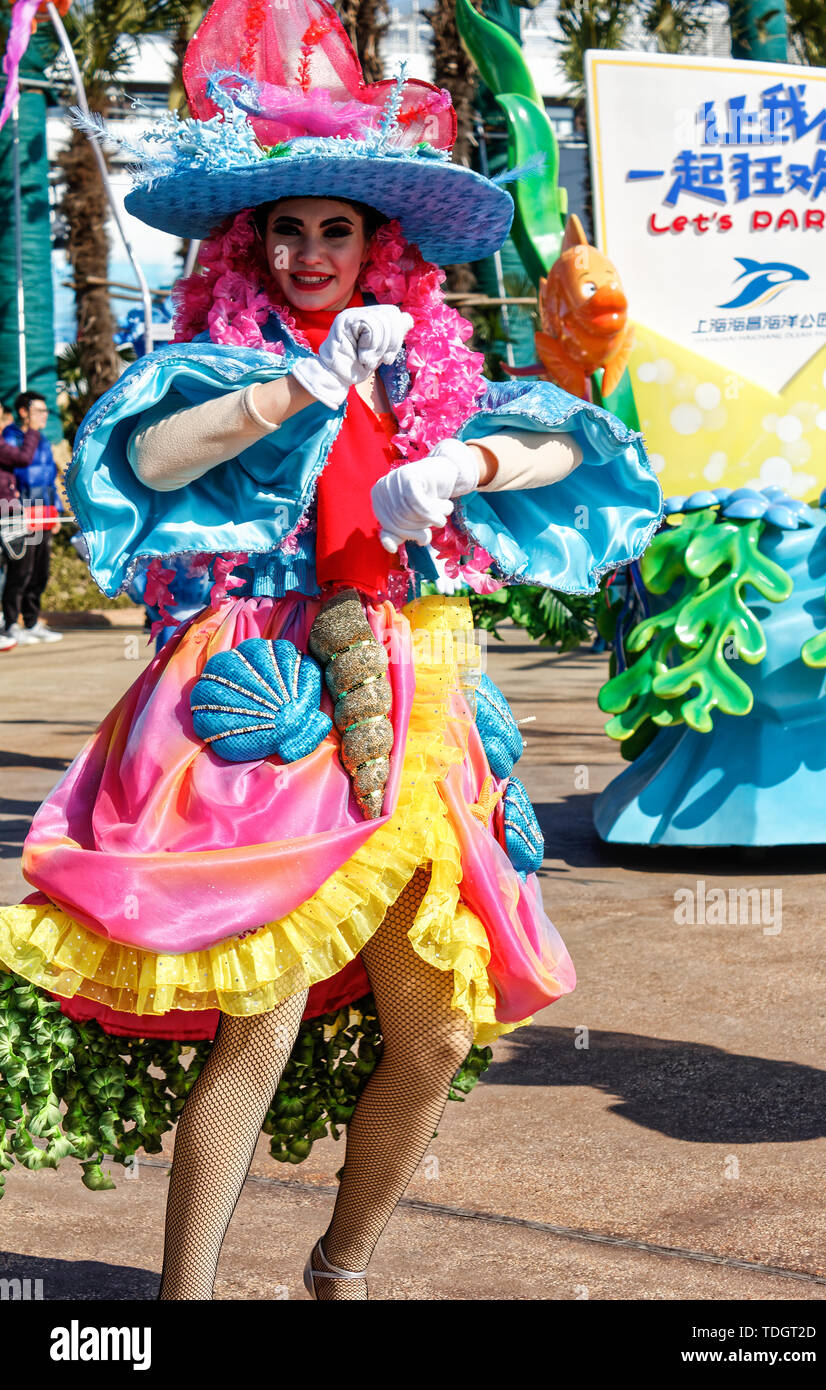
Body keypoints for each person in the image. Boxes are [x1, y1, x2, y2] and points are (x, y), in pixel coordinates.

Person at [0, 0, 662, 1300]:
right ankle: (182, 1303)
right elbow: (144, 456)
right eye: (288, 229)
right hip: (291, 715)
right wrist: (293, 389)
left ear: (378, 242)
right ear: (257, 241)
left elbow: (566, 447)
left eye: (336, 229)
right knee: (262, 1022)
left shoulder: (427, 360)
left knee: (434, 1034)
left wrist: (465, 462)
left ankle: (336, 1267)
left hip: (436, 720)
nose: (311, 253)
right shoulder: (219, 361)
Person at [1, 390, 63, 643]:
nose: (44, 416)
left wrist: (56, 510)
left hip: (44, 508)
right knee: (20, 570)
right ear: (24, 412)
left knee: (40, 571)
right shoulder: (11, 437)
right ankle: (11, 623)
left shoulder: (43, 439)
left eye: (46, 411)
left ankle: (32, 622)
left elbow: (49, 477)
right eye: (38, 411)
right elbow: (21, 469)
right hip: (22, 509)